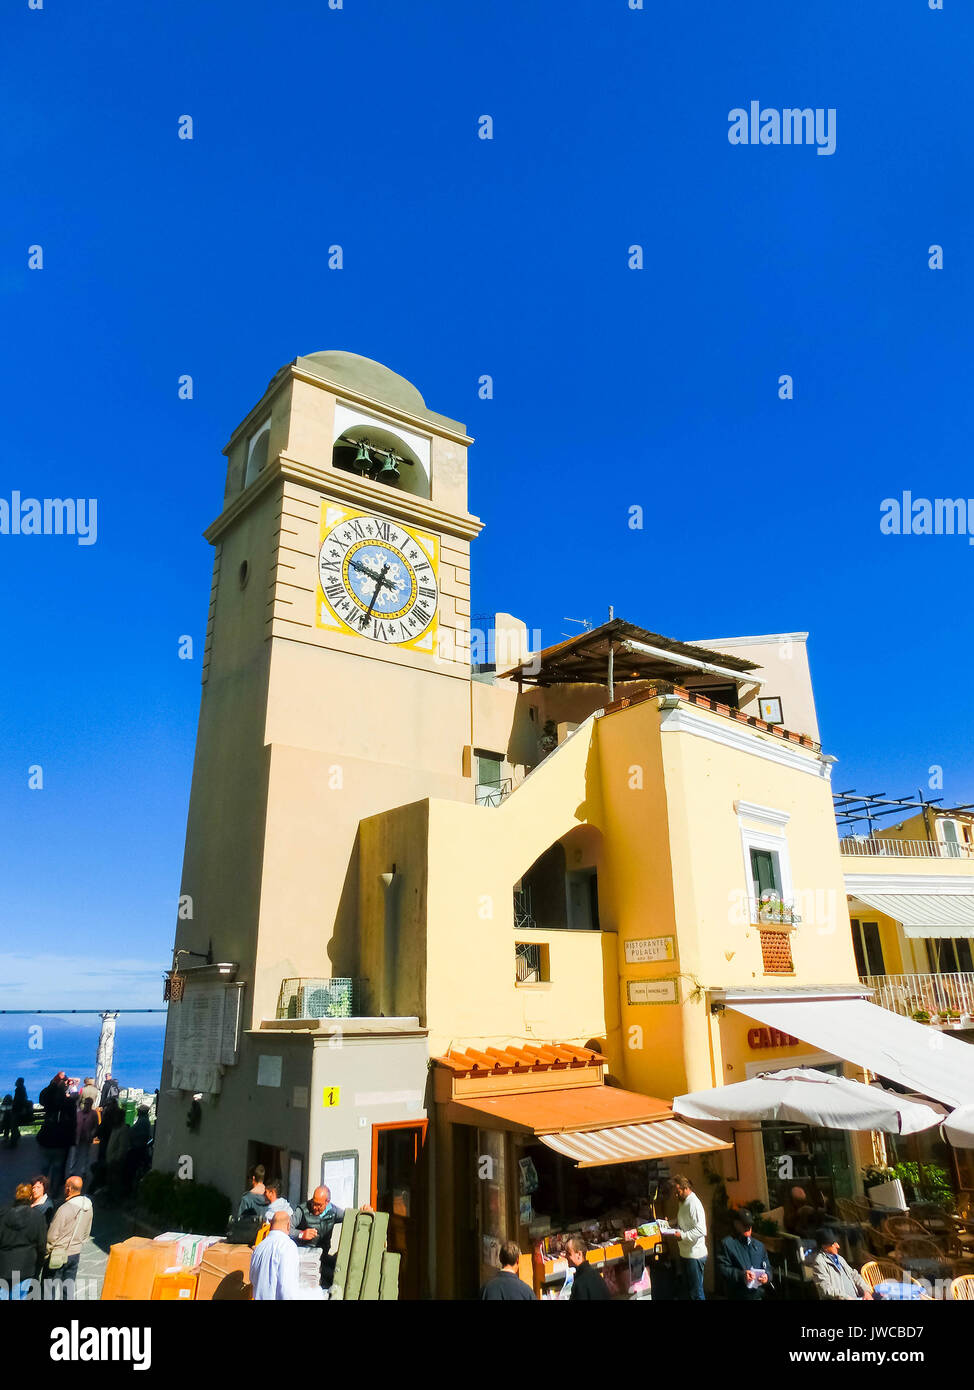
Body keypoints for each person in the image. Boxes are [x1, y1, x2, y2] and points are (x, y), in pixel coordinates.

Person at [44, 1176, 93, 1300]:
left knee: (50, 1290)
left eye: (65, 1186)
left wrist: (45, 1253)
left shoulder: (64, 1208)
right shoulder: (88, 1206)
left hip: (59, 1254)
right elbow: (86, 1233)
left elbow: (52, 1236)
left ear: (69, 1189)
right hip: (75, 1253)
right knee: (68, 1289)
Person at [0, 1183, 48, 1300]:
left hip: (4, 1266)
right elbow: (42, 1245)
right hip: (25, 1267)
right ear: (30, 1197)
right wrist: (39, 1265)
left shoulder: (3, 1215)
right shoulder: (38, 1217)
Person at [290, 1185, 344, 1288]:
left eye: (318, 1205)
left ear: (327, 1202)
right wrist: (301, 1234)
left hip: (322, 1258)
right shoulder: (302, 1210)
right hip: (305, 1260)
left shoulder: (333, 1212)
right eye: (313, 1203)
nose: (314, 1207)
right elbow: (287, 1229)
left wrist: (364, 1211)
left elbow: (350, 1216)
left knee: (337, 1277)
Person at [717, 1210, 772, 1300]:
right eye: (744, 1225)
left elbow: (768, 1267)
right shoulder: (727, 1244)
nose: (748, 1228)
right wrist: (741, 1275)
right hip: (738, 1295)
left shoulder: (759, 1246)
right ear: (736, 1224)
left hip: (757, 1296)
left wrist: (767, 1276)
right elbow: (723, 1268)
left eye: (750, 1225)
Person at [808, 1228, 873, 1301]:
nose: (838, 1246)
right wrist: (847, 1298)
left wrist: (866, 1291)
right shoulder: (819, 1263)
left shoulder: (839, 1258)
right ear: (825, 1247)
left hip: (856, 1297)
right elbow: (825, 1288)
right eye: (833, 1244)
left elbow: (854, 1275)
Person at [672, 1174, 708, 1301]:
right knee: (688, 1291)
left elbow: (701, 1229)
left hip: (695, 1255)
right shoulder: (682, 1202)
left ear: (686, 1188)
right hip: (686, 1253)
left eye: (678, 1191)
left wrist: (682, 1235)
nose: (676, 1195)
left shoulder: (694, 1204)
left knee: (696, 1293)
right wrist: (671, 1223)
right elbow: (684, 1219)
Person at [250, 1212, 300, 1300]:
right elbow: (287, 1287)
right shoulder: (288, 1246)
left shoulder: (259, 1246)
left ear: (271, 1224)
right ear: (288, 1225)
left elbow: (252, 1278)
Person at [36, 1073, 72, 1191]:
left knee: (44, 1168)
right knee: (57, 1168)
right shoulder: (68, 1104)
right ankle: (55, 1191)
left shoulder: (49, 1104)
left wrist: (54, 1083)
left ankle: (42, 1190)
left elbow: (42, 1097)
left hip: (47, 1139)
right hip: (61, 1142)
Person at [71, 1098, 99, 1183]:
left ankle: (84, 1171)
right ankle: (72, 1172)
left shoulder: (94, 1114)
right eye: (85, 1103)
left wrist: (92, 1134)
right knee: (74, 1155)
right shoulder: (78, 1113)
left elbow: (96, 1126)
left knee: (86, 1154)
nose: (86, 1105)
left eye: (88, 1104)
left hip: (87, 1137)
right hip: (77, 1137)